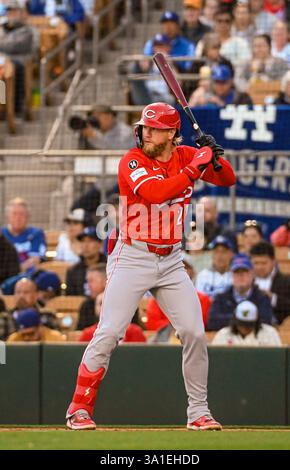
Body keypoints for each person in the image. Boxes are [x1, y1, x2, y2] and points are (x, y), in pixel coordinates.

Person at [66, 101, 236, 431]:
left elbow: (227, 179)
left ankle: (198, 412)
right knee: (111, 332)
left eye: (155, 128)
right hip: (133, 254)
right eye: (145, 126)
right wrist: (194, 167)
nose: (146, 132)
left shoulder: (186, 155)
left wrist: (213, 155)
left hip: (171, 259)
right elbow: (156, 193)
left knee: (194, 333)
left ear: (172, 133)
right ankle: (78, 409)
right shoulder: (132, 160)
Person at [146, 254, 212, 331]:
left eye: (184, 267)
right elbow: (151, 324)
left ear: (192, 272)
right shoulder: (157, 298)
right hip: (164, 341)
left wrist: (171, 325)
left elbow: (201, 324)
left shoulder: (202, 299)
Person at [207, 253, 273, 331]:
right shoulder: (221, 298)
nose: (241, 275)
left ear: (252, 274)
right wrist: (246, 319)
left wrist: (233, 319)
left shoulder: (262, 298)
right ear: (231, 275)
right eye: (237, 272)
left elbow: (266, 322)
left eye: (244, 271)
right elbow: (212, 322)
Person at [250, 241, 290, 324]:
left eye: (263, 263)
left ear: (273, 261)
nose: (259, 267)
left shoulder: (288, 282)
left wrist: (273, 299)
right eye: (256, 263)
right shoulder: (245, 282)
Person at [79, 293, 147, 343]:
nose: (105, 307)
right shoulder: (87, 334)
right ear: (95, 308)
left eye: (109, 302)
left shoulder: (135, 332)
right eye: (101, 303)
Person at [2, 198, 47, 272]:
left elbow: (35, 260)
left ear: (27, 216)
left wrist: (15, 270)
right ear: (8, 216)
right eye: (14, 214)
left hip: (27, 277)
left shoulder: (36, 234)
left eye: (21, 214)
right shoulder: (2, 234)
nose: (18, 218)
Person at [212, 300, 282, 346]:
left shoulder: (270, 334)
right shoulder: (222, 335)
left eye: (249, 324)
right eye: (242, 324)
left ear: (256, 322)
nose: (245, 328)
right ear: (235, 321)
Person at [66, 226, 107, 296]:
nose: (85, 245)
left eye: (90, 241)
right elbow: (71, 299)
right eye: (83, 241)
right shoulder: (73, 271)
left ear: (100, 244)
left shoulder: (110, 267)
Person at [77, 264, 107, 330]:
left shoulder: (122, 303)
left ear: (105, 282)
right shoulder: (86, 305)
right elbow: (80, 332)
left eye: (91, 281)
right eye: (87, 282)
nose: (88, 286)